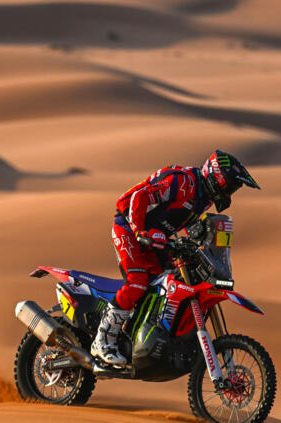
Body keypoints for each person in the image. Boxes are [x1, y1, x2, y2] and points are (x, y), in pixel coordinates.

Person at [91, 150, 261, 365]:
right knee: (138, 281)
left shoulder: (204, 198)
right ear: (217, 176)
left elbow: (186, 222)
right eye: (230, 185)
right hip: (129, 227)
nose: (231, 191)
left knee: (169, 282)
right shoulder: (183, 182)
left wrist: (201, 245)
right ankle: (103, 340)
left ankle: (136, 334)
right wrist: (139, 230)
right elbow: (139, 198)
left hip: (157, 237)